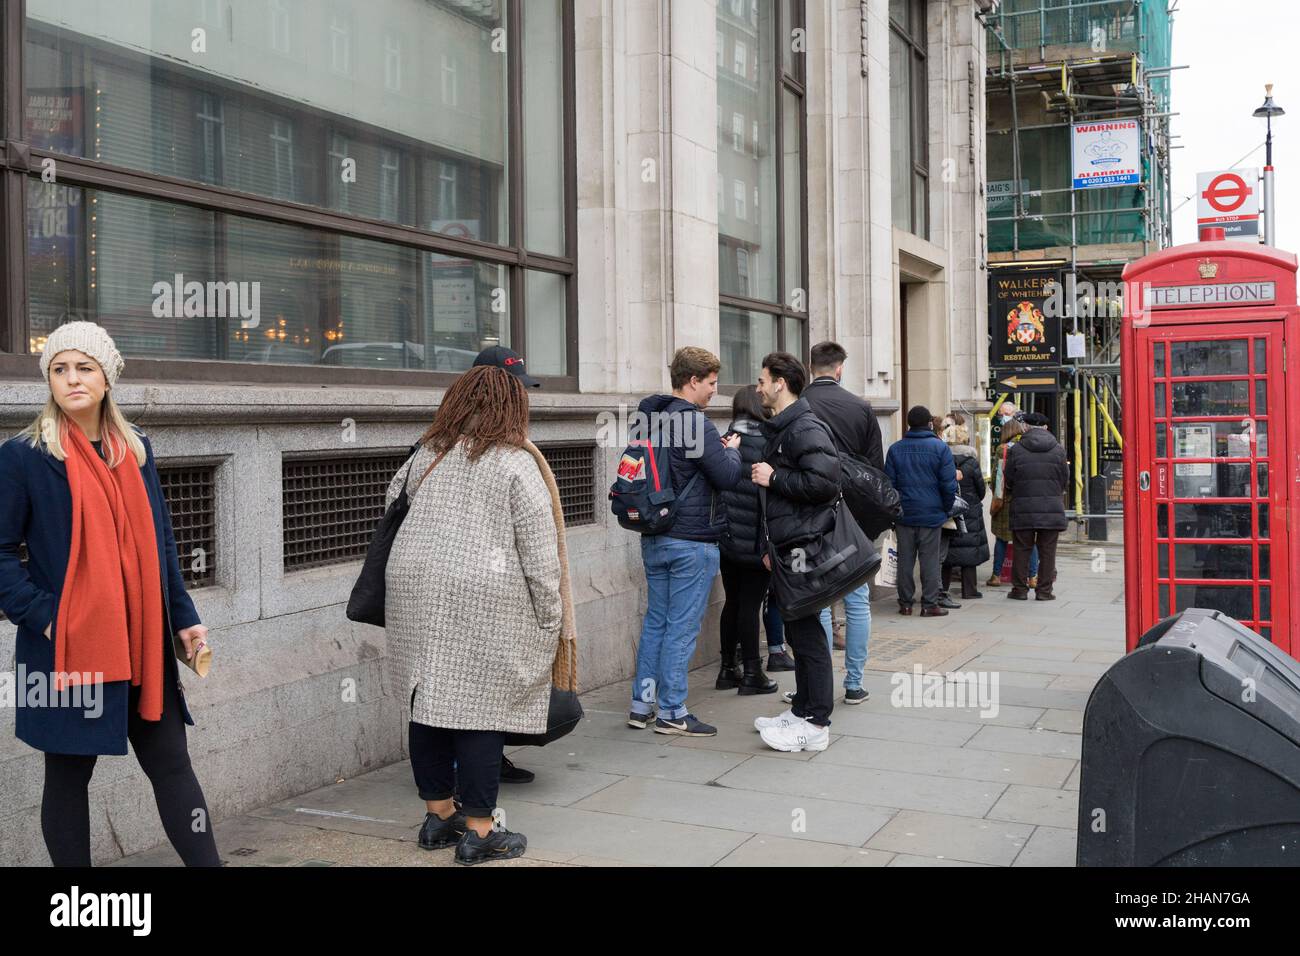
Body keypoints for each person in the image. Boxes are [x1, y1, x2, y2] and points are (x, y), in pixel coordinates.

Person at [0, 322, 220, 867]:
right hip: (68, 649)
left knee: (172, 763)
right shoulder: (24, 456)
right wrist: (48, 616)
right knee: (68, 775)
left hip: (143, 642)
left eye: (84, 367)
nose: (71, 379)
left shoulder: (136, 448)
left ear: (107, 377)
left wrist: (182, 617)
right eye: (59, 369)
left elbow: (162, 542)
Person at [384, 363, 569, 865]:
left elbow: (391, 502)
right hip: (485, 592)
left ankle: (438, 817)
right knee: (480, 708)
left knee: (428, 701)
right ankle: (481, 831)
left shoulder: (428, 451)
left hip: (412, 585)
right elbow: (538, 551)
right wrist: (551, 618)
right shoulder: (515, 462)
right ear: (514, 408)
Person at [627, 347, 742, 737]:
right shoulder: (695, 424)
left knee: (656, 622)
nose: (714, 392)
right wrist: (733, 453)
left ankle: (641, 704)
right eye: (711, 384)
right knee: (681, 627)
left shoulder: (649, 419)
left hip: (654, 534)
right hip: (691, 541)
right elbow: (726, 477)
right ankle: (673, 710)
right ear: (693, 381)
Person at [751, 352, 842, 753]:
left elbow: (824, 483)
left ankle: (817, 722)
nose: (758, 388)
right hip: (788, 546)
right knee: (797, 629)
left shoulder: (804, 426)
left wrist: (775, 477)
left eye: (762, 380)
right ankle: (803, 709)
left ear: (779, 383)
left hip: (804, 546)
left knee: (807, 634)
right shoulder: (786, 427)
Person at [801, 340, 882, 704]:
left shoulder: (799, 404)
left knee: (816, 598)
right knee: (857, 597)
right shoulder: (861, 407)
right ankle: (854, 683)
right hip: (852, 514)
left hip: (809, 511)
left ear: (811, 366)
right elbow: (875, 470)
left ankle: (818, 682)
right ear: (839, 369)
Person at [716, 386, 778, 696]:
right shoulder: (768, 442)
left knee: (733, 601)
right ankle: (753, 671)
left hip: (727, 539)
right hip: (756, 540)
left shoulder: (725, 439)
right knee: (751, 606)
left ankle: (728, 669)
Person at [885, 405, 958, 617]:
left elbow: (889, 484)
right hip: (932, 512)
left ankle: (905, 604)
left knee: (905, 560)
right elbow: (948, 484)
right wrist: (946, 508)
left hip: (904, 513)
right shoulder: (940, 448)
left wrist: (894, 510)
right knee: (930, 561)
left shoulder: (896, 449)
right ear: (928, 424)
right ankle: (929, 604)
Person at [1003, 412, 1069, 600]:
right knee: (1048, 552)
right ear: (1046, 428)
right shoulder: (1058, 449)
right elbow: (1065, 479)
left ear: (1026, 427)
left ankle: (1019, 590)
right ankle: (1044, 591)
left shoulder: (1016, 449)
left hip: (1023, 507)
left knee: (1022, 550)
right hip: (1051, 508)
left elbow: (1009, 478)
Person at [989, 418, 1039, 587]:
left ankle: (996, 576)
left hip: (1005, 500)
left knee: (1001, 539)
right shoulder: (1029, 448)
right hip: (1025, 498)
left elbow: (997, 477)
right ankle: (1032, 577)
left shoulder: (1002, 450)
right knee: (1029, 539)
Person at [942, 432, 990, 599]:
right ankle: (969, 590)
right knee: (969, 551)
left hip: (947, 509)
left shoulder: (943, 458)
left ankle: (943, 589)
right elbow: (981, 490)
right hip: (969, 509)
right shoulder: (971, 463)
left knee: (946, 552)